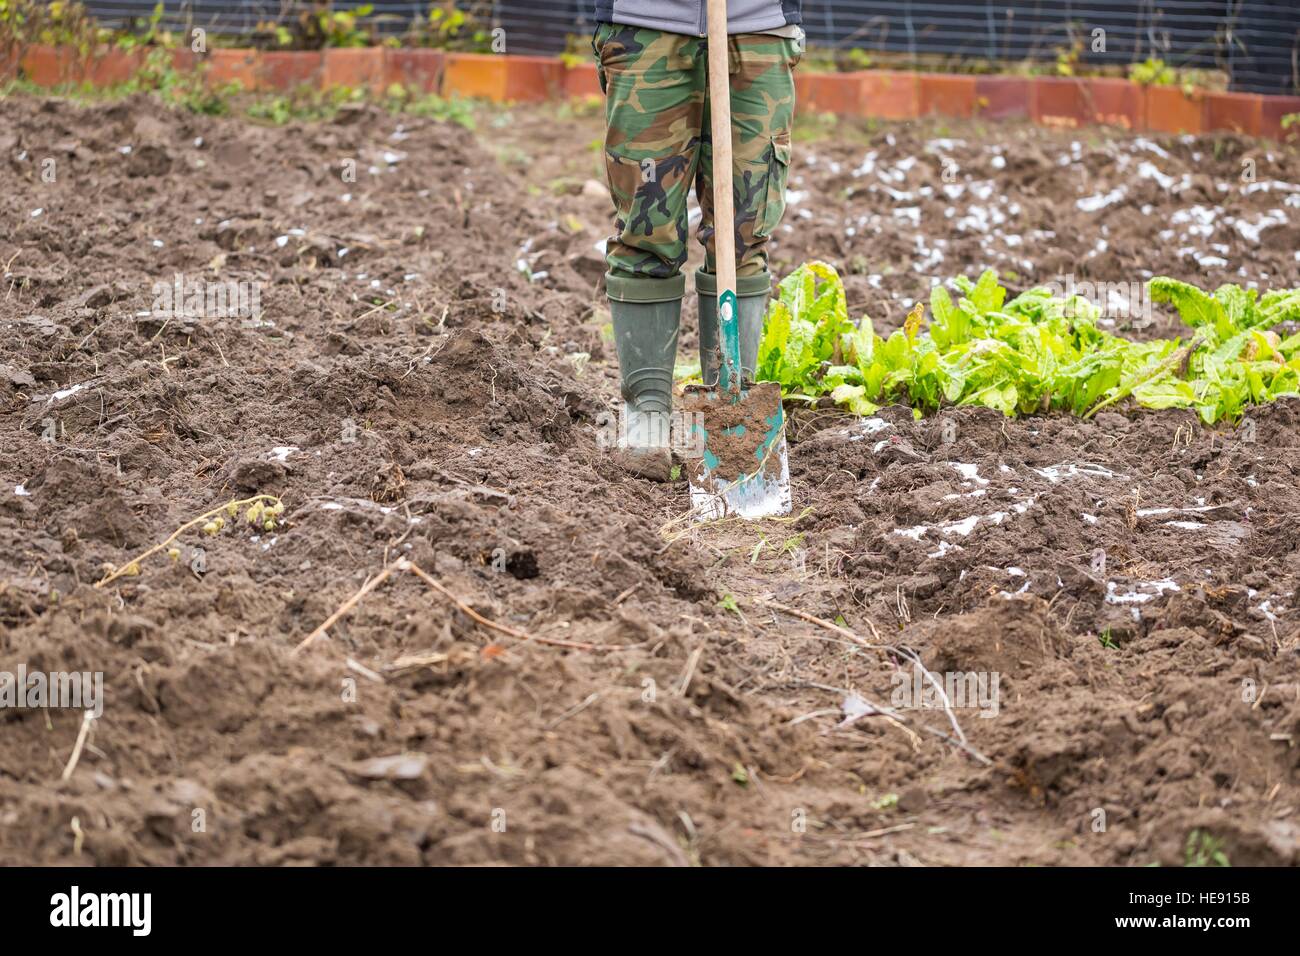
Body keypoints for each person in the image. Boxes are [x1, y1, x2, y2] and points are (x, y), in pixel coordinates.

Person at [592, 1, 804, 480]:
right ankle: (647, 407)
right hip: (648, 23)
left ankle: (732, 405)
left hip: (757, 26)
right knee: (646, 227)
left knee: (745, 230)